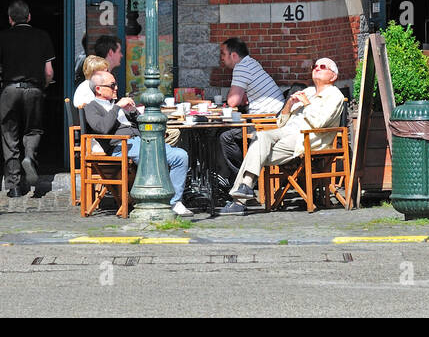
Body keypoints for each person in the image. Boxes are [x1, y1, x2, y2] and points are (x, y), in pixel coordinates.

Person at [220, 57, 345, 215]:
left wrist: (306, 104)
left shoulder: (334, 96)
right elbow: (280, 122)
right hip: (286, 131)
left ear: (333, 76)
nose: (317, 68)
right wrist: (289, 105)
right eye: (315, 66)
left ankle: (239, 199)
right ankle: (244, 190)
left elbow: (319, 122)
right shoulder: (308, 91)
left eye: (322, 66)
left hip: (306, 138)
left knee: (256, 150)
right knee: (260, 137)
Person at [83, 70, 192, 217]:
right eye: (112, 85)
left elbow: (143, 124)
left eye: (116, 84)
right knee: (154, 161)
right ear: (98, 89)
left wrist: (133, 111)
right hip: (121, 146)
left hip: (142, 141)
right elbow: (102, 128)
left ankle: (174, 202)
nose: (116, 88)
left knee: (181, 156)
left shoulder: (118, 104)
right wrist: (117, 108)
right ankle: (151, 201)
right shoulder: (92, 107)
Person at [0, 0, 55, 198]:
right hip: (34, 90)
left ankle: (13, 185)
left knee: (9, 136)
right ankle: (30, 157)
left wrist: (0, 66)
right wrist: (45, 84)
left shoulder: (3, 36)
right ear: (29, 16)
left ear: (10, 19)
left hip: (10, 90)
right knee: (33, 130)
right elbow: (49, 71)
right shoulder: (42, 36)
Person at [219, 38, 285, 176]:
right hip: (274, 117)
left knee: (226, 137)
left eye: (223, 54)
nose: (222, 58)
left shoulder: (242, 67)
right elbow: (242, 99)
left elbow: (233, 101)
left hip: (268, 122)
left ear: (234, 55)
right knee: (231, 132)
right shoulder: (251, 63)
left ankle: (242, 178)